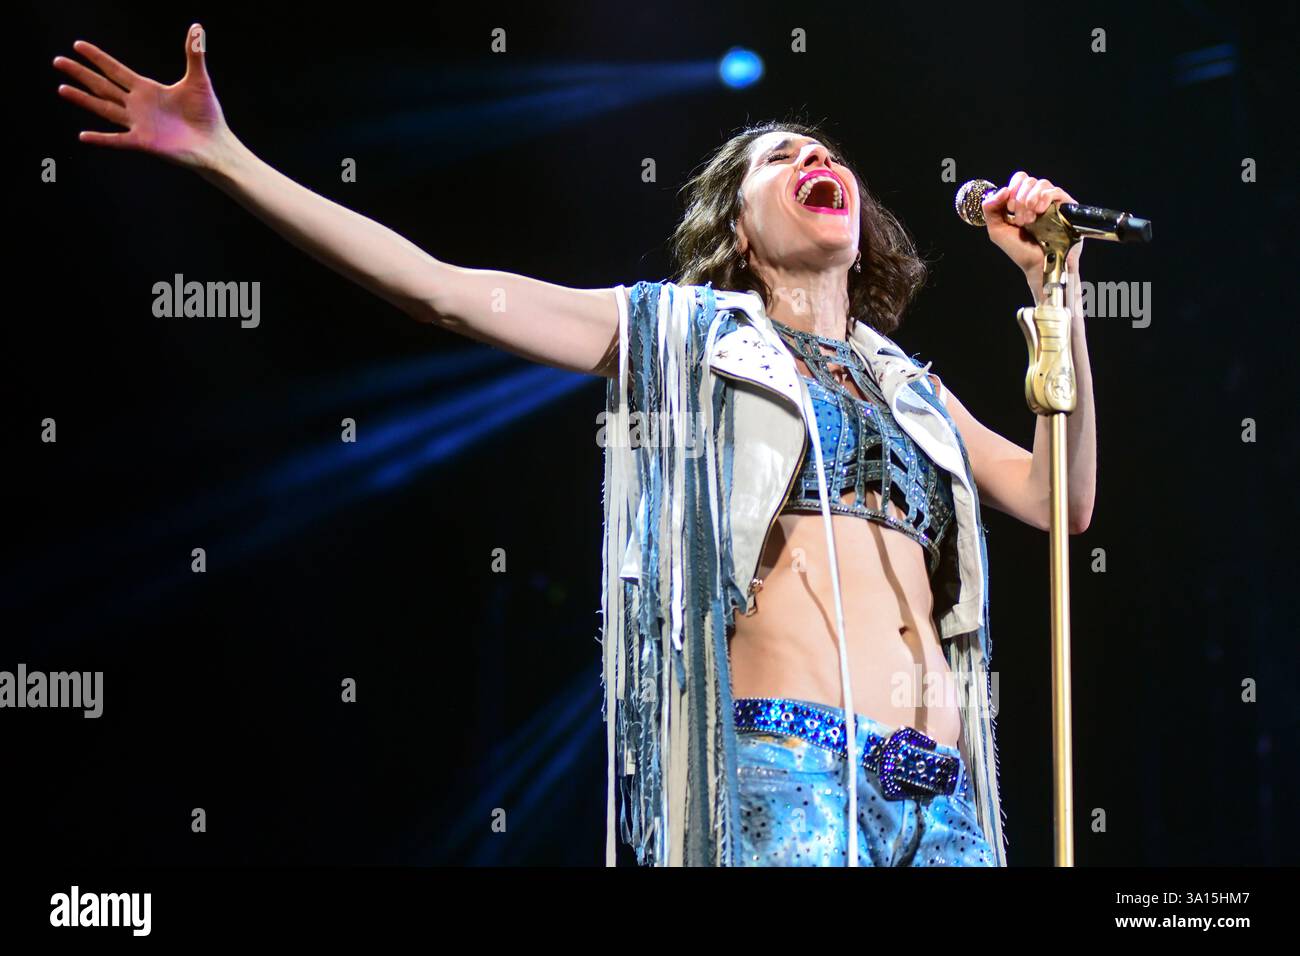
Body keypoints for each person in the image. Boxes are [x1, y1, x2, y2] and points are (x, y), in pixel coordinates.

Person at [53, 23, 1097, 867]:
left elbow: (1062, 501)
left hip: (939, 802)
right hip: (788, 778)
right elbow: (441, 290)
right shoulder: (680, 335)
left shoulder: (912, 389)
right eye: (778, 157)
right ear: (737, 231)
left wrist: (1057, 286)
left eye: (825, 154)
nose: (814, 159)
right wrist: (225, 158)